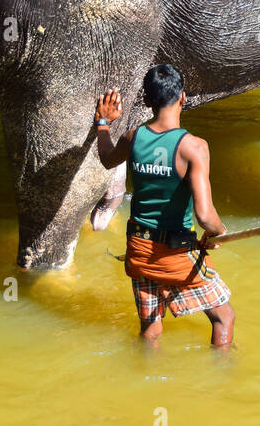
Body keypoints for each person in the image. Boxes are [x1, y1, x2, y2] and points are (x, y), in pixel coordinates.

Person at [95, 64, 235, 348]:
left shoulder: (132, 138)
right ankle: (221, 382)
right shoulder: (193, 147)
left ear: (146, 101)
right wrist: (218, 232)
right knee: (224, 317)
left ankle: (145, 379)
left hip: (138, 249)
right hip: (176, 253)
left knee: (151, 329)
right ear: (183, 97)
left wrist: (102, 124)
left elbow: (108, 158)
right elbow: (205, 216)